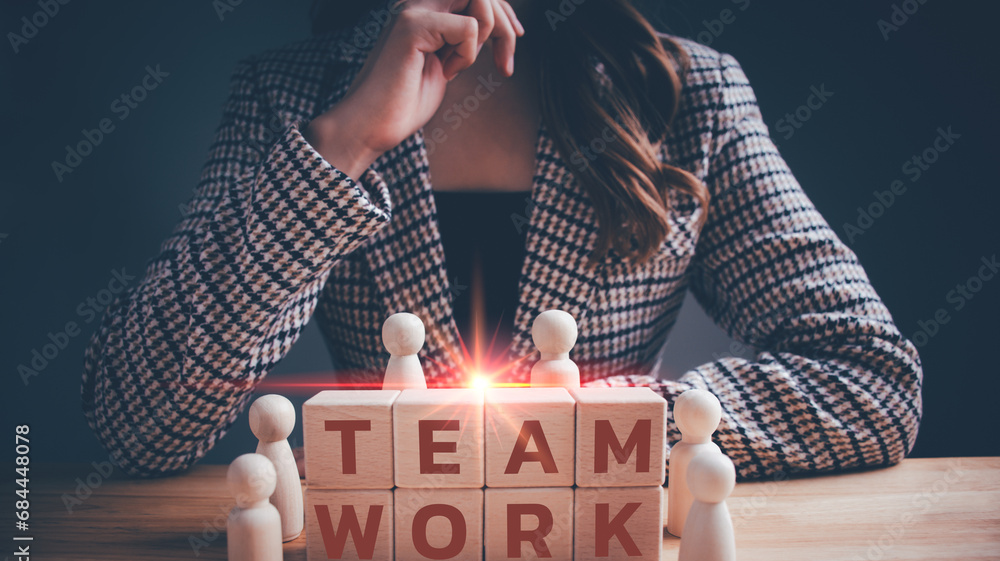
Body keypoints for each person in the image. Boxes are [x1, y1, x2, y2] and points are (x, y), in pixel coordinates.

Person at [81, 0, 923, 480]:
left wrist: (610, 434)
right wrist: (342, 147)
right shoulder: (290, 95)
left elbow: (871, 378)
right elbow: (140, 423)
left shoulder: (687, 94)